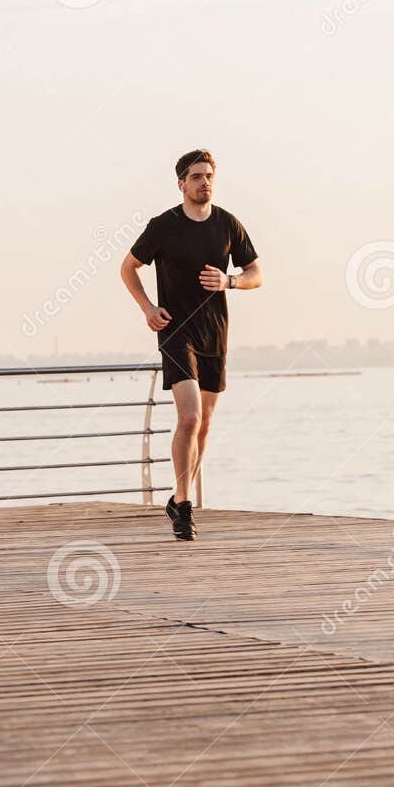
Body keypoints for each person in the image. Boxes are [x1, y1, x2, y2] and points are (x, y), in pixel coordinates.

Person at [120, 149, 264, 540]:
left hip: (214, 332)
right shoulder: (163, 226)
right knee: (190, 417)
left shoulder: (227, 224)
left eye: (209, 176)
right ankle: (183, 504)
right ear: (181, 182)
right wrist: (148, 308)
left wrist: (230, 281)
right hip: (174, 330)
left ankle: (178, 497)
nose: (204, 183)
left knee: (205, 423)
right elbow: (128, 267)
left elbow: (255, 273)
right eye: (197, 176)